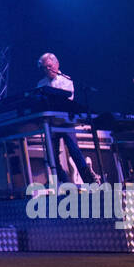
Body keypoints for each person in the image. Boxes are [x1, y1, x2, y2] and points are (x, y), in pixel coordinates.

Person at [36, 53, 101, 185]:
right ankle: (65, 183)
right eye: (44, 68)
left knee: (74, 151)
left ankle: (89, 182)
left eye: (49, 66)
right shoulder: (41, 84)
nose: (47, 70)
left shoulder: (66, 80)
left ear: (56, 64)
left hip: (65, 122)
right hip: (50, 123)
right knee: (51, 156)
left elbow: (67, 101)